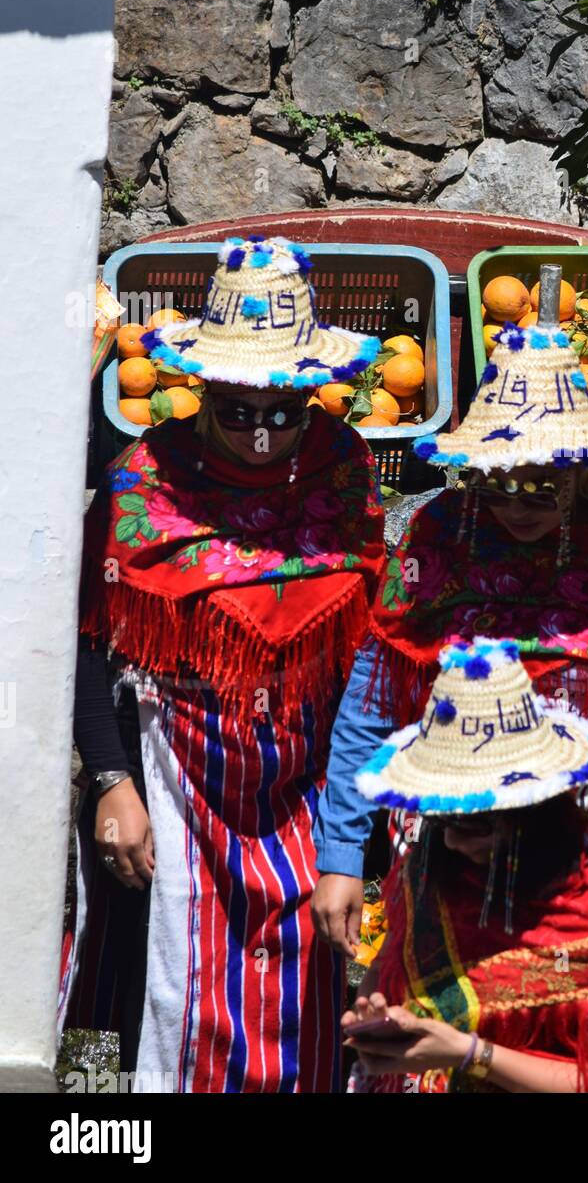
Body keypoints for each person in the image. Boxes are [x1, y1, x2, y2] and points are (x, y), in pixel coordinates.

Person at [60, 235, 386, 1092]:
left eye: (285, 411)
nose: (262, 435)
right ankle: (97, 1133)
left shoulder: (345, 471)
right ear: (202, 391)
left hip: (307, 780)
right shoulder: (144, 480)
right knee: (122, 982)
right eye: (237, 411)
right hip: (169, 774)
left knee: (302, 990)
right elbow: (92, 643)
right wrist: (110, 783)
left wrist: (356, 826)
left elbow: (369, 657)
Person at [314, 320, 588, 997]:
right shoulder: (440, 536)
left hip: (587, 860)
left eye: (541, 485)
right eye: (496, 484)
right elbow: (370, 705)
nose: (516, 506)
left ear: (583, 467)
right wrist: (342, 855)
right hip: (444, 854)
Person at [343, 637, 588, 1093]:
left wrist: (470, 1053)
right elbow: (394, 961)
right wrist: (377, 1011)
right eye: (440, 819)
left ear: (529, 814)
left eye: (472, 825)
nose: (449, 839)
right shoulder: (429, 869)